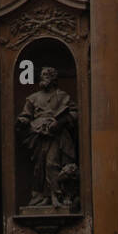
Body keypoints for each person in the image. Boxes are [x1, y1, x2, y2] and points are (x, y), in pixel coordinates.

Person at [16, 66, 78, 208]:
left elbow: (74, 113)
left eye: (45, 75)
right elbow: (25, 114)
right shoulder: (33, 98)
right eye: (41, 75)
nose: (42, 78)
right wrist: (23, 121)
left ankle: (57, 195)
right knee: (40, 167)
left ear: (53, 79)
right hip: (38, 136)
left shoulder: (62, 96)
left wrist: (60, 122)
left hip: (56, 136)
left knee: (52, 164)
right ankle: (44, 196)